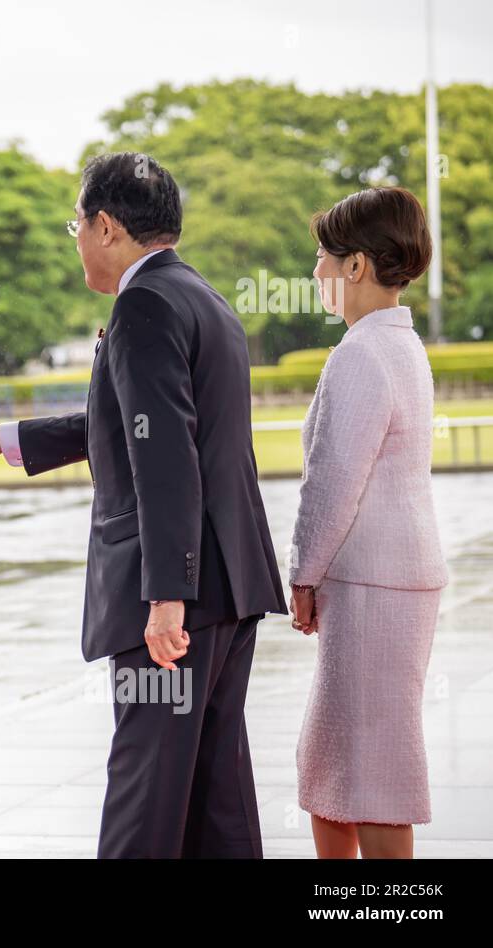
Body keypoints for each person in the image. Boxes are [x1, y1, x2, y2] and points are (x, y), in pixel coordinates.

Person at [0, 153, 287, 857]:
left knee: (144, 805)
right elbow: (135, 425)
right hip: (230, 583)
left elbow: (165, 462)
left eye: (76, 224)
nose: (75, 239)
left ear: (105, 225)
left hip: (180, 597)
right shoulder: (203, 297)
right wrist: (6, 440)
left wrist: (165, 596)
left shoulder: (144, 304)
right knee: (217, 804)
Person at [290, 186, 446, 859]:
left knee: (365, 773)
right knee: (340, 765)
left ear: (355, 266)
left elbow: (331, 485)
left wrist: (301, 574)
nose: (317, 273)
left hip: (370, 585)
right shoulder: (399, 345)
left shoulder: (359, 353)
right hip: (393, 578)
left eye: (323, 258)